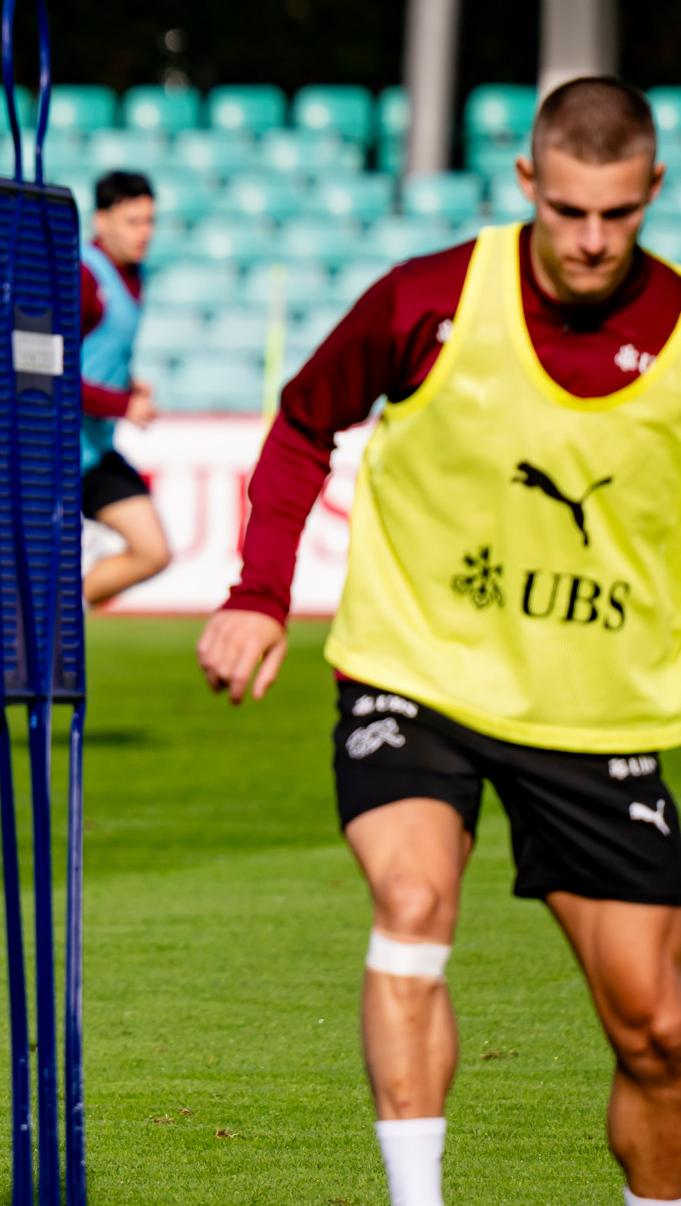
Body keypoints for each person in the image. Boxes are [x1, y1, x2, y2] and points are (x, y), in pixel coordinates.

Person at [197, 78, 681, 1206]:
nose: (590, 240)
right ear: (526, 183)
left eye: (616, 214)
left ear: (651, 190)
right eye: (566, 211)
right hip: (413, 674)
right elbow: (303, 418)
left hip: (591, 713)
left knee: (656, 1033)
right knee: (411, 900)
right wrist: (257, 593)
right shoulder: (427, 298)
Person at [0, 171, 171, 758]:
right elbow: (46, 364)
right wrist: (122, 401)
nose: (145, 233)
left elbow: (97, 356)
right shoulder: (80, 278)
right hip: (50, 448)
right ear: (101, 221)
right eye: (132, 221)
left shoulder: (128, 277)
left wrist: (125, 381)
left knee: (152, 551)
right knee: (0, 583)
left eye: (150, 221)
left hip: (90, 448)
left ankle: (21, 643)